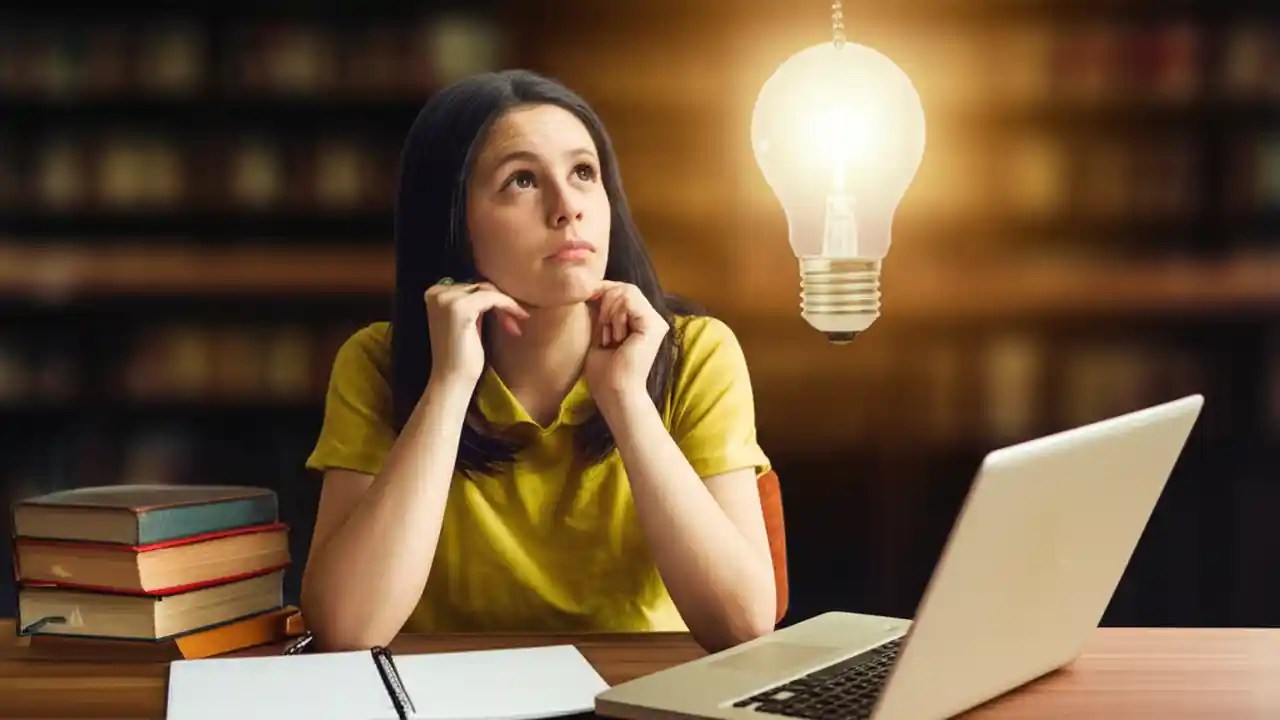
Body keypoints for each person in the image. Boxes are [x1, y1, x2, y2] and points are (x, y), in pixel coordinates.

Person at [300, 69, 775, 653]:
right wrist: (449, 386)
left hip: (637, 698)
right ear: (452, 220)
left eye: (583, 173)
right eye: (522, 180)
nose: (567, 207)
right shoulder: (376, 362)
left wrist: (625, 400)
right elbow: (347, 629)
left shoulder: (695, 353)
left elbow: (744, 625)